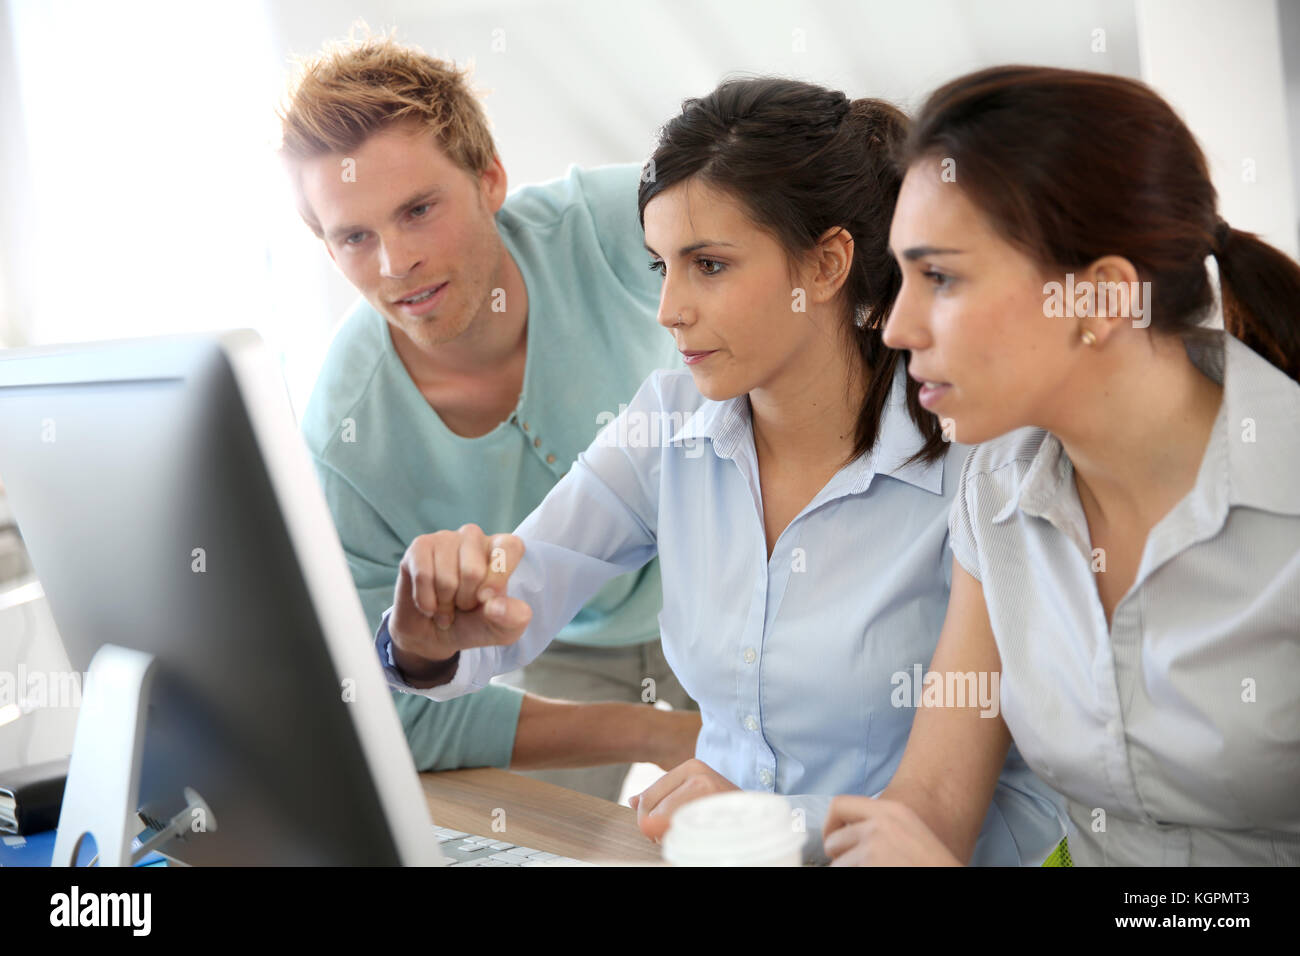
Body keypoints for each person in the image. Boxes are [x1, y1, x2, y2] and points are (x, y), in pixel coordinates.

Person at [373, 76, 1069, 864]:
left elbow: (966, 808)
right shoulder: (669, 424)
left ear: (827, 264)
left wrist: (772, 821)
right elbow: (510, 603)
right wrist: (428, 634)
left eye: (707, 265)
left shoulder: (977, 456)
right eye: (659, 267)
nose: (669, 308)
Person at [823, 64, 1300, 866]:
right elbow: (932, 802)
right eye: (901, 277)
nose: (897, 327)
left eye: (939, 276)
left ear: (1103, 297)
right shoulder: (999, 485)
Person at [278, 34, 700, 794]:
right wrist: (656, 733)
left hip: (719, 593)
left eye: (418, 210)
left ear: (490, 178)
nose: (394, 263)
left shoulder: (611, 221)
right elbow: (391, 717)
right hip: (555, 647)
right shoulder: (346, 435)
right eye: (354, 236)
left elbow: (786, 235)